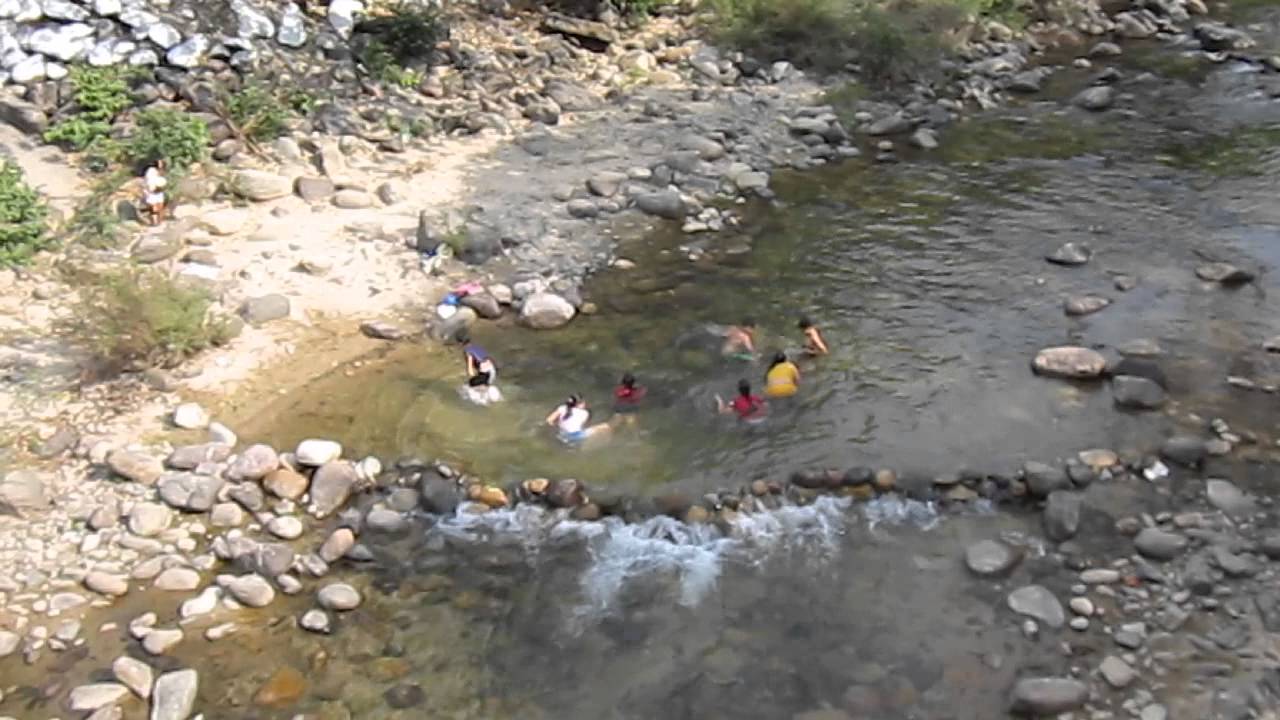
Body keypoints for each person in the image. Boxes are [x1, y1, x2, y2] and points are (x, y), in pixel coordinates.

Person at [546, 395, 612, 443]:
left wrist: (556, 427)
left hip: (561, 435)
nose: (585, 404)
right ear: (579, 404)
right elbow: (583, 426)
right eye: (583, 403)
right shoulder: (585, 413)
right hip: (576, 436)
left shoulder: (562, 408)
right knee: (605, 426)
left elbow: (549, 420)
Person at [459, 333, 501, 404]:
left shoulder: (467, 351)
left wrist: (472, 379)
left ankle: (483, 400)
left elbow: (470, 369)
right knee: (482, 384)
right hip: (493, 369)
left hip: (486, 372)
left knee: (472, 383)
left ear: (460, 344)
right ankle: (488, 396)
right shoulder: (477, 347)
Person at [142, 160, 168, 226]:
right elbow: (148, 181)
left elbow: (162, 179)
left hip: (159, 191)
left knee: (160, 207)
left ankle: (160, 222)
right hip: (151, 192)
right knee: (153, 208)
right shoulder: (150, 171)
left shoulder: (162, 171)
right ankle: (154, 222)